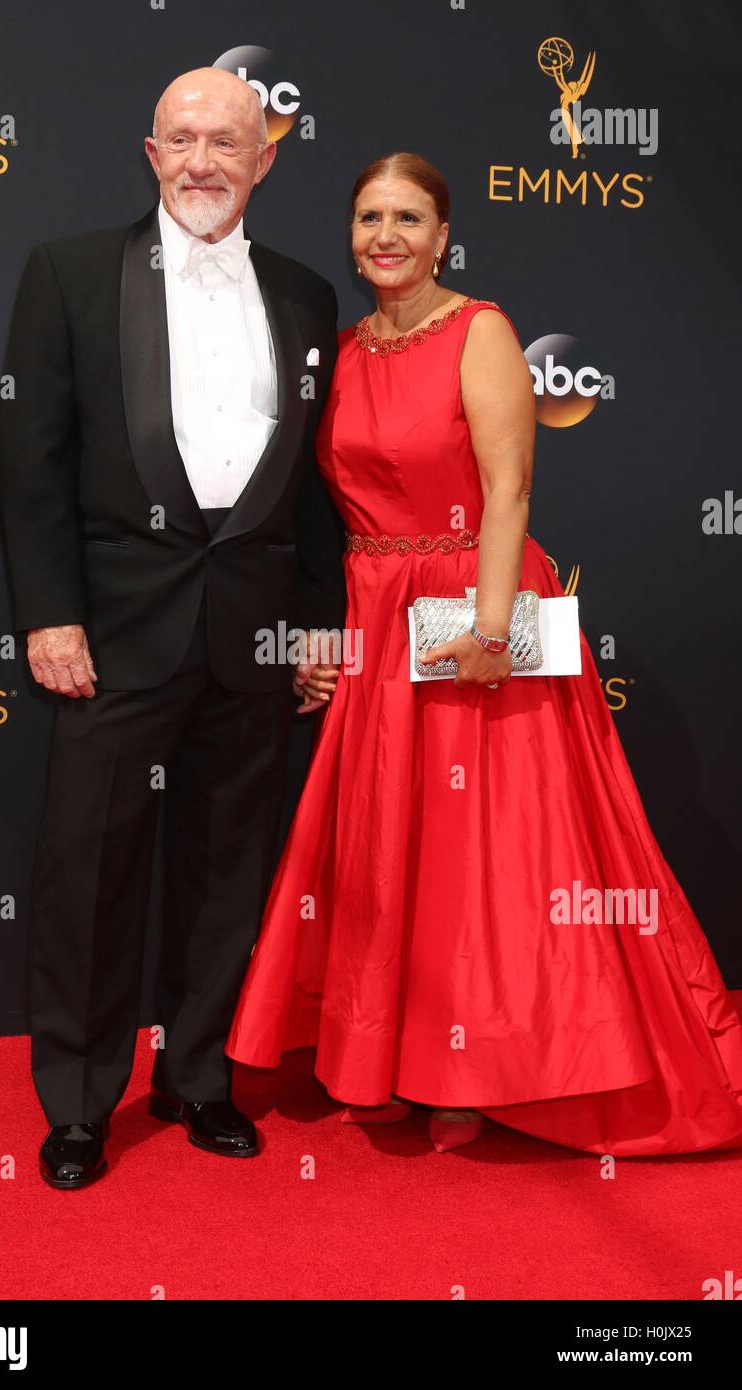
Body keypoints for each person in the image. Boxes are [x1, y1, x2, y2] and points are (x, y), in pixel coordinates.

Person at [226, 152, 742, 1157]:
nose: (386, 234)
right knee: (389, 851)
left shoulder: (480, 330)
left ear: (442, 234)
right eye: (369, 215)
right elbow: (326, 520)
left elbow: (507, 489)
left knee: (490, 854)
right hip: (379, 614)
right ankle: (397, 1057)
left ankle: (485, 1069)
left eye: (407, 217)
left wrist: (492, 627)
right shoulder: (342, 350)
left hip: (472, 602)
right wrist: (326, 631)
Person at [0, 68, 346, 1188]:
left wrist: (314, 628)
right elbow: (32, 465)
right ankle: (81, 1101)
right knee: (87, 875)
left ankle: (197, 1077)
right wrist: (49, 613)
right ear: (151, 154)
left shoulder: (304, 296)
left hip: (249, 639)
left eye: (226, 143)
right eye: (182, 140)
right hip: (112, 633)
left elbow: (312, 493)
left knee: (224, 870)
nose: (203, 161)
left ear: (264, 160)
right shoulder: (69, 274)